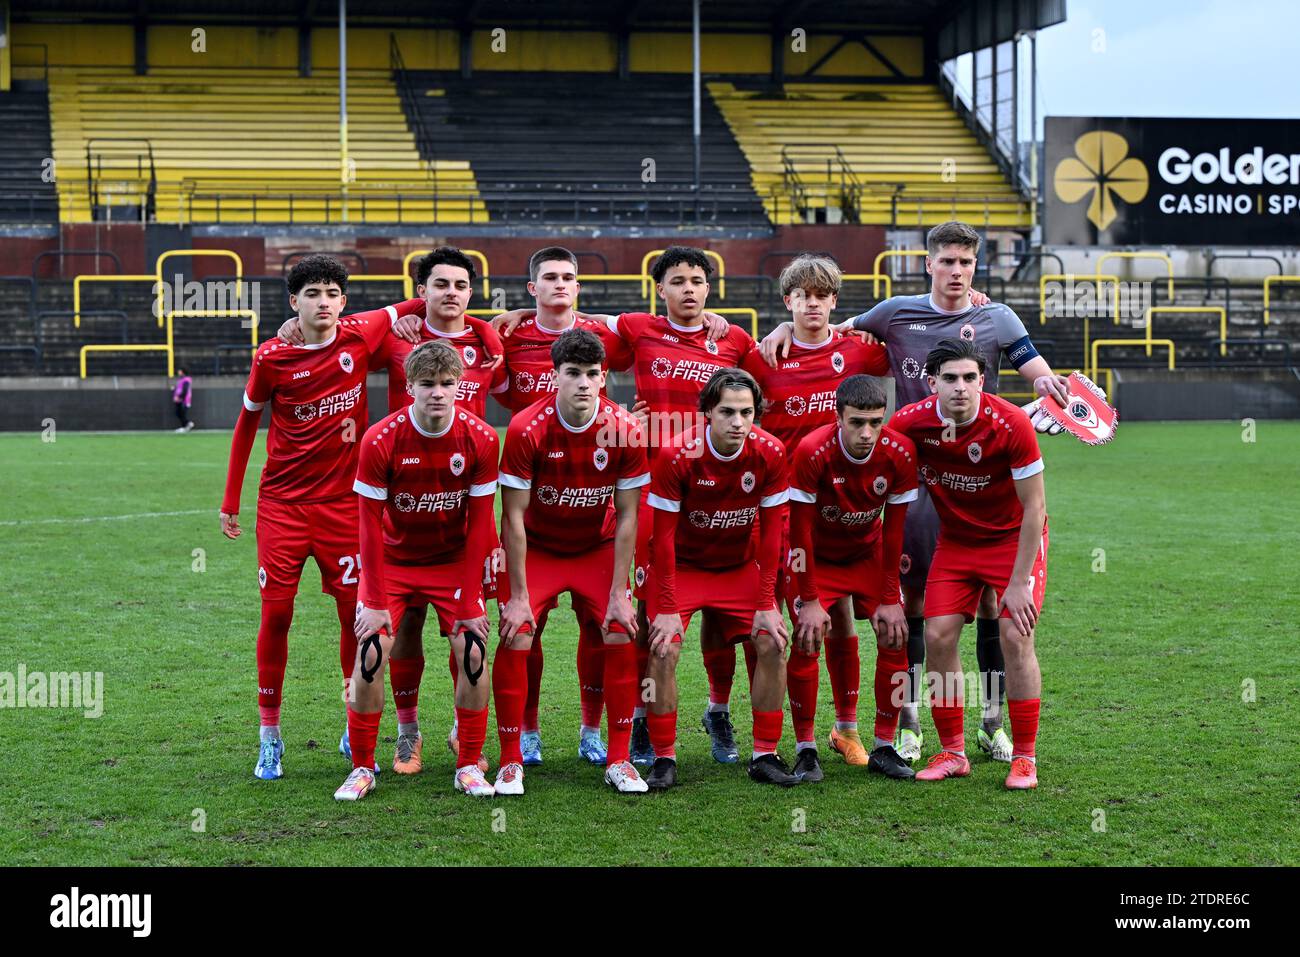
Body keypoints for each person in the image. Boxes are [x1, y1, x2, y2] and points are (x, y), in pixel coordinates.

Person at [761, 221, 1067, 764]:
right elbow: (837, 329)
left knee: (995, 607)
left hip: (985, 480)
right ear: (928, 263)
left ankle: (992, 721)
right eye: (946, 261)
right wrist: (786, 330)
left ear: (976, 268)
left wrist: (1046, 385)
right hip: (917, 482)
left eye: (966, 263)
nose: (956, 272)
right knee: (916, 605)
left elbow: (1037, 369)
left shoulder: (997, 317)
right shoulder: (894, 312)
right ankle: (909, 723)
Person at [219, 254, 425, 780]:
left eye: (332, 293)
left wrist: (505, 321)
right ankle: (270, 735)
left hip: (343, 507)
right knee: (277, 616)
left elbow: (436, 298)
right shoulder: (271, 357)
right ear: (294, 302)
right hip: (283, 507)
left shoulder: (360, 334)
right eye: (312, 293)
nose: (324, 302)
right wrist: (230, 500)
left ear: (343, 301)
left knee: (354, 620)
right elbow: (246, 425)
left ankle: (350, 717)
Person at [340, 340, 499, 800]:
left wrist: (471, 600)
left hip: (451, 563)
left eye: (447, 384)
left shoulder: (481, 438)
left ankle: (468, 763)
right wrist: (370, 599)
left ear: (460, 386)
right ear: (409, 387)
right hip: (393, 564)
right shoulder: (380, 438)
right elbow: (367, 524)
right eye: (427, 384)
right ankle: (363, 767)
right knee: (369, 652)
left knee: (472, 651)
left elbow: (480, 525)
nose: (437, 393)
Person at [494, 329, 650, 794]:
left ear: (604, 378)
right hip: (538, 547)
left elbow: (627, 517)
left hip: (595, 547)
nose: (584, 383)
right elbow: (513, 518)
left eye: (592, 375)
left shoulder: (623, 427)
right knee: (517, 632)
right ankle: (510, 758)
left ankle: (617, 758)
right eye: (573, 374)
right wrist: (519, 597)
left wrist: (621, 593)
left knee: (618, 627)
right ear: (554, 376)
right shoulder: (527, 427)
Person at [888, 339, 1048, 790]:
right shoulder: (910, 423)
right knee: (937, 636)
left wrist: (1017, 585)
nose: (961, 388)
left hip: (1012, 539)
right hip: (957, 542)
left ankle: (1025, 757)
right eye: (951, 379)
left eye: (970, 378)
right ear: (931, 382)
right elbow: (883, 477)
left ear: (982, 380)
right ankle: (953, 751)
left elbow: (1035, 508)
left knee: (1016, 635)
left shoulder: (1011, 423)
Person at [643, 368, 793, 789]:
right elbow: (663, 539)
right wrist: (668, 608)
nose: (738, 422)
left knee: (773, 641)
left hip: (738, 568)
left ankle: (765, 754)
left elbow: (772, 536)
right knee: (662, 648)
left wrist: (766, 603)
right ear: (708, 411)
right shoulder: (677, 454)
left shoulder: (770, 452)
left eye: (747, 412)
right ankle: (664, 758)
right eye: (727, 411)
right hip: (683, 568)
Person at [786, 375, 918, 782]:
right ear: (837, 417)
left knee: (895, 632)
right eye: (857, 422)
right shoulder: (812, 451)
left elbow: (894, 530)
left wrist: (891, 597)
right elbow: (800, 530)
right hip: (817, 557)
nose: (867, 433)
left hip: (866, 553)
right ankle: (805, 748)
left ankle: (883, 746)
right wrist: (809, 599)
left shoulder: (899, 452)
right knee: (808, 636)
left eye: (876, 422)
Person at [172, 367, 194, 432]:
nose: (178, 372)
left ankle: (186, 425)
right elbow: (179, 389)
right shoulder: (181, 380)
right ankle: (186, 426)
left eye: (179, 371)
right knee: (179, 413)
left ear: (182, 372)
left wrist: (180, 397)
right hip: (179, 399)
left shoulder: (186, 380)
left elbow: (185, 390)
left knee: (181, 413)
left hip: (184, 400)